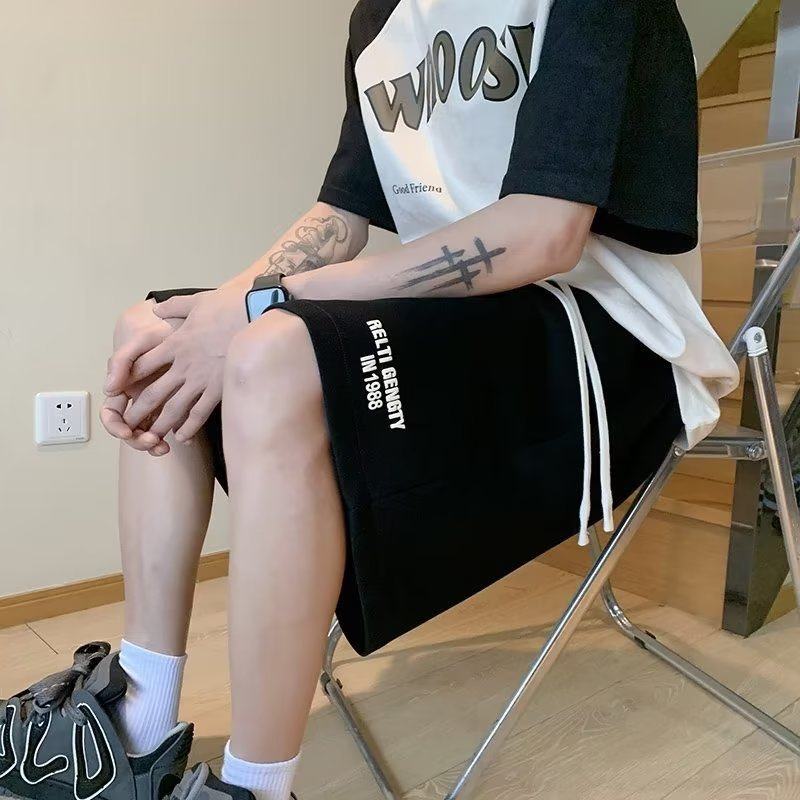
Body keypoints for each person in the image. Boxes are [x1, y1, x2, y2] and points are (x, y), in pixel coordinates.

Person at [1, 0, 740, 798]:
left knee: (273, 353)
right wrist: (224, 307)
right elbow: (340, 217)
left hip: (616, 334)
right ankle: (135, 724)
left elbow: (545, 232)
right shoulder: (378, 15)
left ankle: (255, 787)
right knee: (153, 335)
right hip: (474, 318)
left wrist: (265, 306)